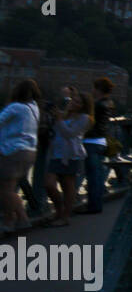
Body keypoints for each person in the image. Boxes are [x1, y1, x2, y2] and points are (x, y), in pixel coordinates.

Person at [44, 86, 91, 227]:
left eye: (78, 102)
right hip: (56, 153)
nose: (73, 103)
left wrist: (58, 119)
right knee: (49, 184)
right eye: (73, 100)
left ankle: (65, 216)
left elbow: (69, 134)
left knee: (68, 185)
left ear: (84, 106)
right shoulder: (64, 114)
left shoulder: (85, 118)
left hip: (71, 155)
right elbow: (57, 131)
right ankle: (59, 210)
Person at [0, 79, 42, 236]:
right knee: (9, 188)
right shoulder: (34, 108)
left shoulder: (16, 107)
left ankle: (13, 220)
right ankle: (19, 220)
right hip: (29, 151)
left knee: (6, 189)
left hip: (13, 151)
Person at [81, 76, 115, 215]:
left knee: (93, 176)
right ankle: (96, 204)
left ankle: (93, 206)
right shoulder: (110, 103)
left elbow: (89, 122)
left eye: (94, 88)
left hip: (91, 141)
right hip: (101, 141)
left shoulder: (98, 105)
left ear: (98, 89)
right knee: (98, 175)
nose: (92, 91)